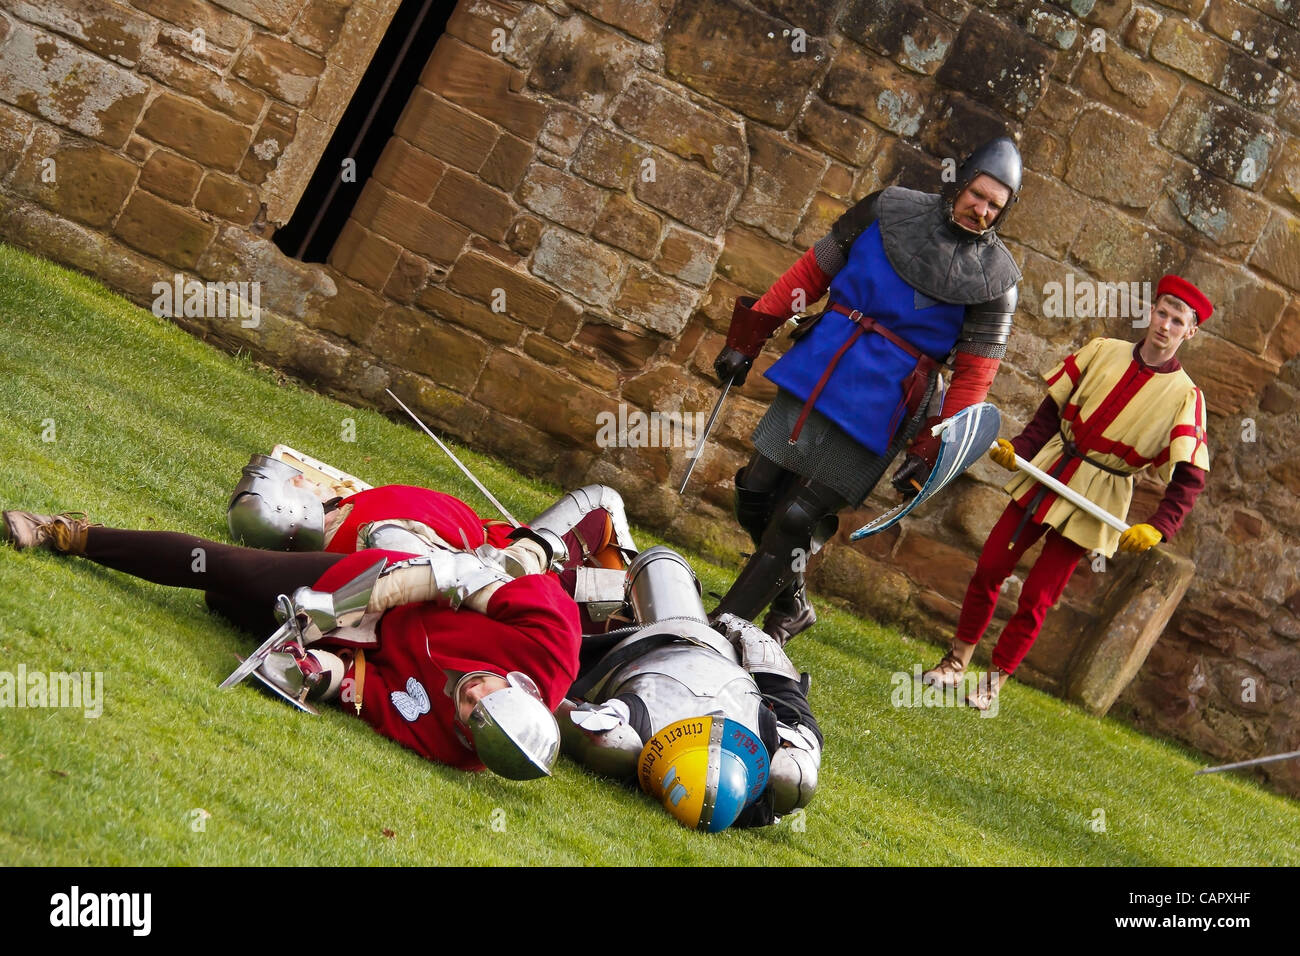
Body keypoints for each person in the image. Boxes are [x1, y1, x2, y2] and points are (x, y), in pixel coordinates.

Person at [1, 496, 582, 779]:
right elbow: (466, 576)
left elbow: (371, 693)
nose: (471, 697)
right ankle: (66, 534)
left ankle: (280, 572)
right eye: (487, 694)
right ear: (522, 691)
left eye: (470, 713)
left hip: (359, 640)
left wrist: (317, 673)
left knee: (223, 603)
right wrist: (349, 604)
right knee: (228, 571)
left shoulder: (457, 748)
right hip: (402, 577)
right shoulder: (552, 643)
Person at [711, 137, 1024, 644]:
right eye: (977, 195)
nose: (981, 210)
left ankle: (721, 632)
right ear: (959, 181)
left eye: (995, 205)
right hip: (821, 365)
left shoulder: (996, 283)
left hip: (888, 401)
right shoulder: (887, 207)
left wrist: (933, 451)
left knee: (796, 516)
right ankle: (790, 602)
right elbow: (811, 273)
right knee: (755, 490)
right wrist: (750, 335)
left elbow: (975, 374)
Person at [921, 274, 1213, 710]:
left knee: (1039, 595)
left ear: (1190, 331)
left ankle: (993, 682)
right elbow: (1049, 415)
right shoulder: (1103, 351)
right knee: (990, 566)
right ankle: (956, 661)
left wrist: (1160, 527)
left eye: (1177, 321)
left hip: (1100, 495)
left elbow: (1190, 477)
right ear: (1151, 312)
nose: (1165, 326)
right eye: (1162, 313)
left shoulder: (1186, 396)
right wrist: (1017, 450)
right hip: (1050, 469)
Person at [560, 546, 822, 831]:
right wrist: (741, 630)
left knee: (612, 743)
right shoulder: (771, 749)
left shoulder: (628, 737)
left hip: (639, 648)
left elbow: (566, 709)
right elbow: (801, 738)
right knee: (793, 776)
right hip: (714, 647)